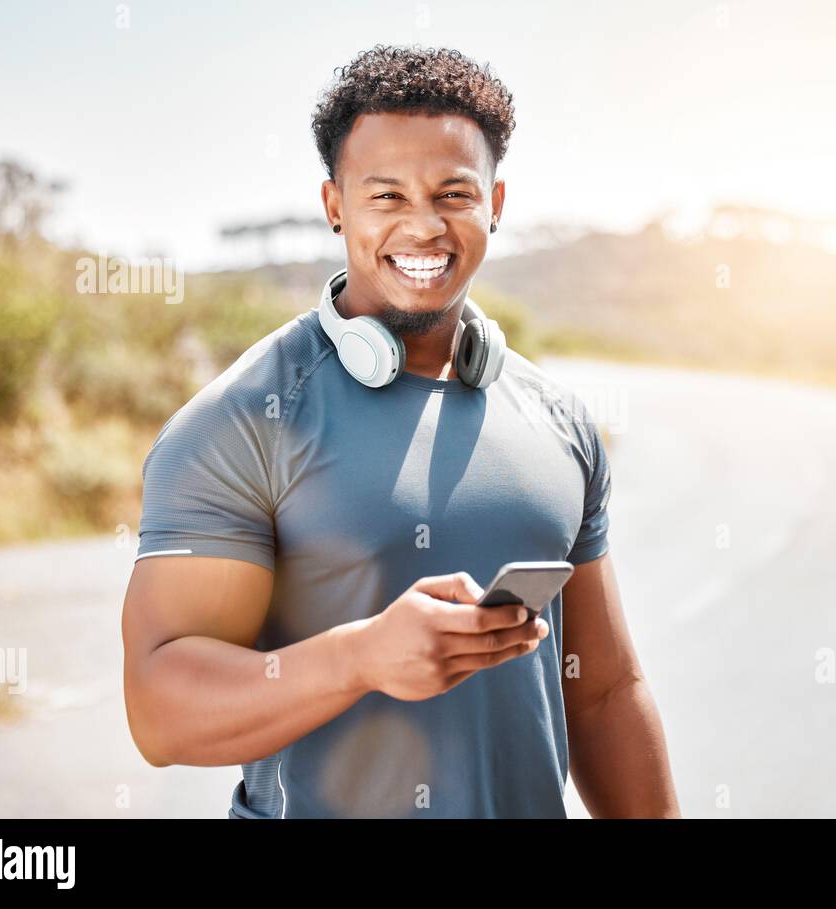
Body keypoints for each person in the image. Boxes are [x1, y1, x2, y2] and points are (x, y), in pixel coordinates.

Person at [121, 44, 679, 818]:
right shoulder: (241, 421)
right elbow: (160, 709)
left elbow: (605, 693)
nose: (424, 227)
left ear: (496, 202)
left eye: (454, 192)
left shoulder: (560, 422)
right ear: (334, 204)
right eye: (386, 196)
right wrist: (361, 658)